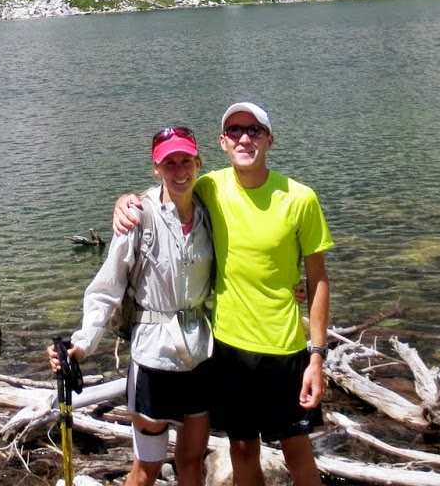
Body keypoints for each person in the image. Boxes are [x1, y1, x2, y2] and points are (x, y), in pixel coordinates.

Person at [113, 102, 332, 486]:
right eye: (234, 131)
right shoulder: (209, 186)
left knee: (297, 449)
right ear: (222, 142)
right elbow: (167, 187)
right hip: (227, 349)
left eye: (254, 130)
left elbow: (318, 281)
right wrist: (124, 201)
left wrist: (316, 357)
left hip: (285, 348)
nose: (244, 138)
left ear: (270, 139)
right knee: (243, 449)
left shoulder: (300, 198)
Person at [50, 124, 214, 486]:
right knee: (147, 469)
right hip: (153, 357)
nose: (179, 170)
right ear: (155, 168)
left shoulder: (209, 212)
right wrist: (82, 343)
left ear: (198, 162)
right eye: (169, 163)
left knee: (191, 463)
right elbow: (106, 288)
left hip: (201, 355)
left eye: (185, 160)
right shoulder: (137, 217)